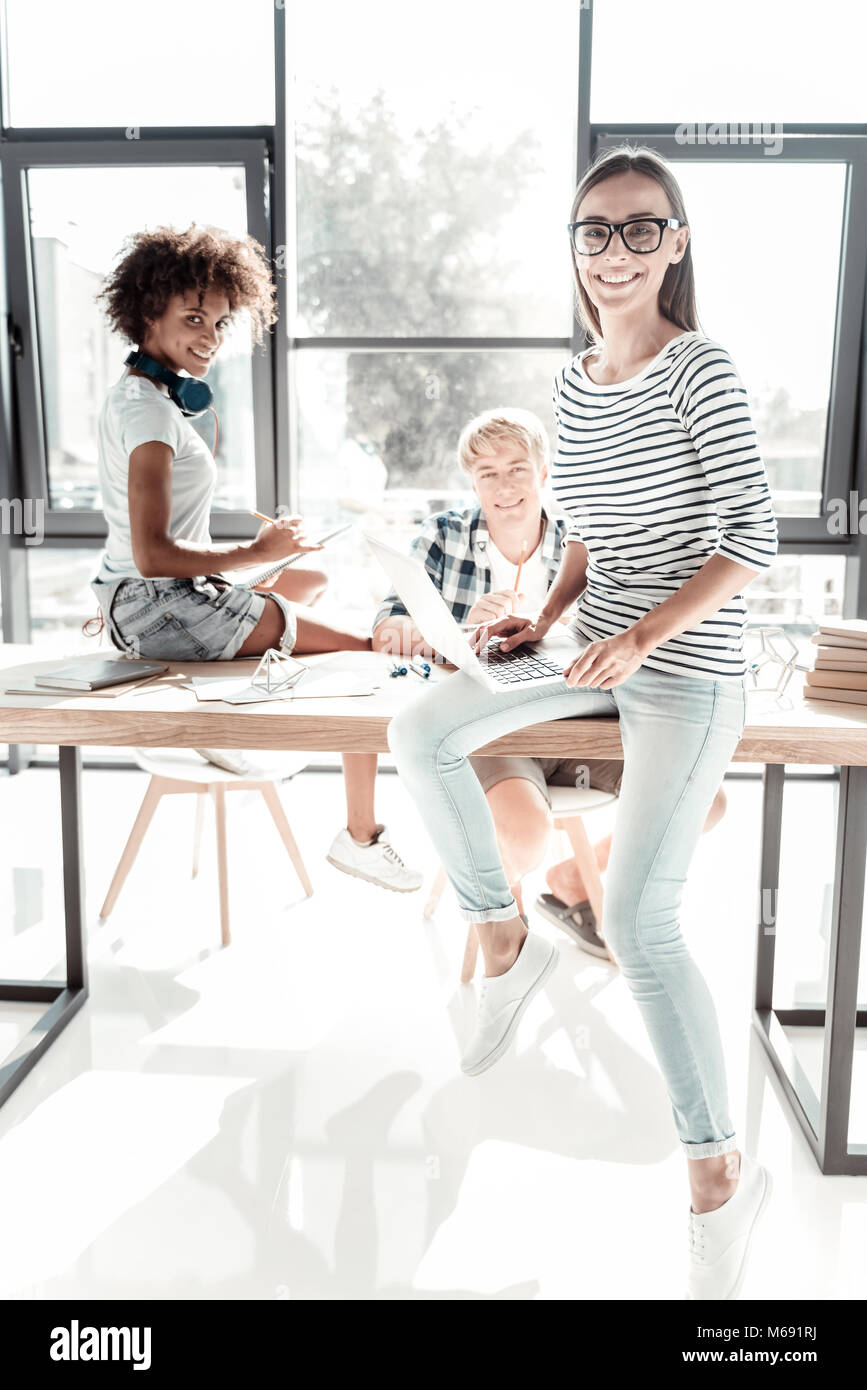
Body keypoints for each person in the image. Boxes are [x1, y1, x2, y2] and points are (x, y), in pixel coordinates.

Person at [386, 146, 778, 1299]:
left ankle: (717, 1175)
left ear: (678, 243)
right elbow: (590, 541)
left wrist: (642, 637)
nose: (615, 252)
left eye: (639, 229)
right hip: (586, 642)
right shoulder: (568, 386)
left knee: (645, 925)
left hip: (686, 667)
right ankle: (501, 932)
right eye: (595, 232)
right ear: (573, 249)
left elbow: (753, 538)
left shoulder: (701, 368)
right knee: (423, 731)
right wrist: (541, 619)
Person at [89, 223, 421, 893]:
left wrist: (267, 558)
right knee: (364, 650)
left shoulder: (143, 399)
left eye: (217, 320)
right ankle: (359, 835)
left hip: (137, 601)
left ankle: (242, 689)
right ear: (145, 313)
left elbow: (140, 546)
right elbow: (153, 554)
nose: (209, 335)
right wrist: (254, 551)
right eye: (191, 318)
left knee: (314, 577)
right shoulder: (152, 418)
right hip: (161, 602)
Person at [372, 405, 728, 956]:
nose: (504, 485)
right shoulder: (443, 536)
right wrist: (457, 634)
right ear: (471, 481)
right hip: (494, 730)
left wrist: (547, 625)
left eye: (517, 468)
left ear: (543, 473)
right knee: (520, 836)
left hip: (582, 714)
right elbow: (386, 632)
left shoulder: (581, 542)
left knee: (707, 800)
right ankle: (507, 948)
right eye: (487, 473)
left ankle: (573, 881)